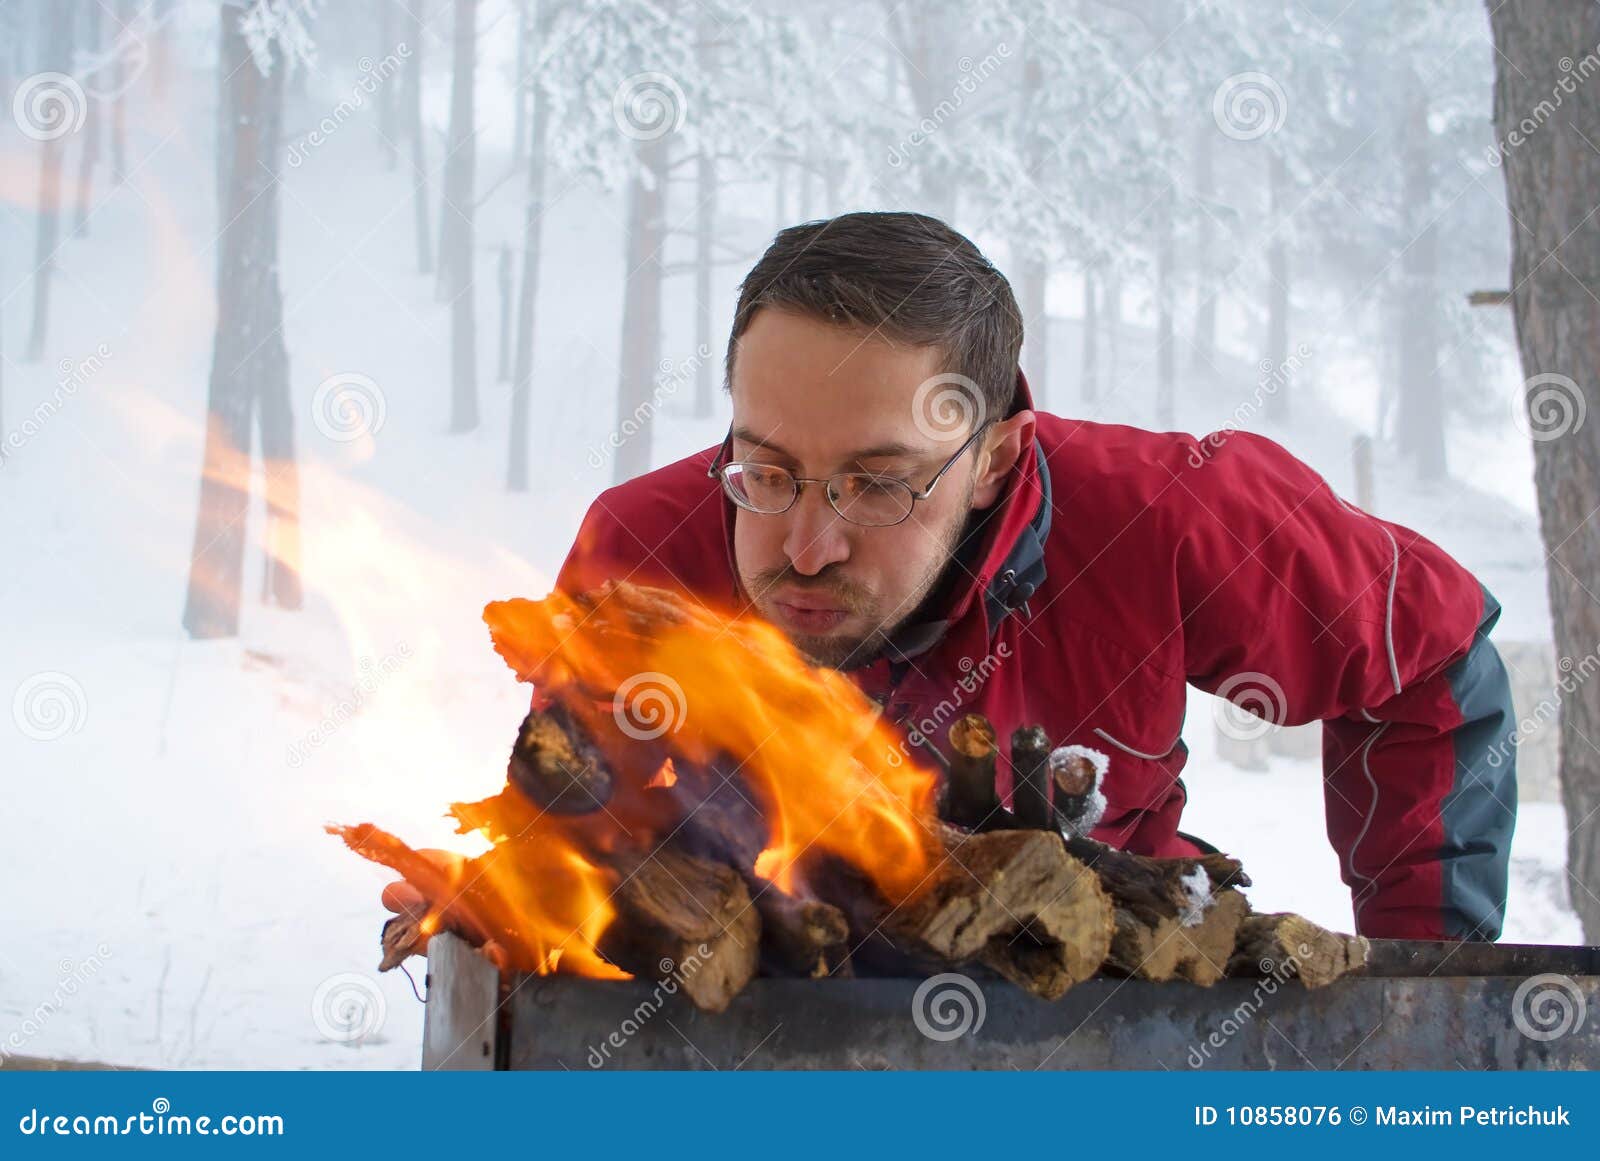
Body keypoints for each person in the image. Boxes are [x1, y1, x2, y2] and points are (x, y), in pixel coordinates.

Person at [395, 211, 1518, 942]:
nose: (805, 547)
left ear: (995, 460)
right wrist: (517, 900)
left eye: (878, 484)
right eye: (767, 471)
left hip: (1102, 1028)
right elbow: (580, 827)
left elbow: (1429, 658)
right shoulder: (642, 551)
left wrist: (1418, 988)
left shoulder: (1173, 514)